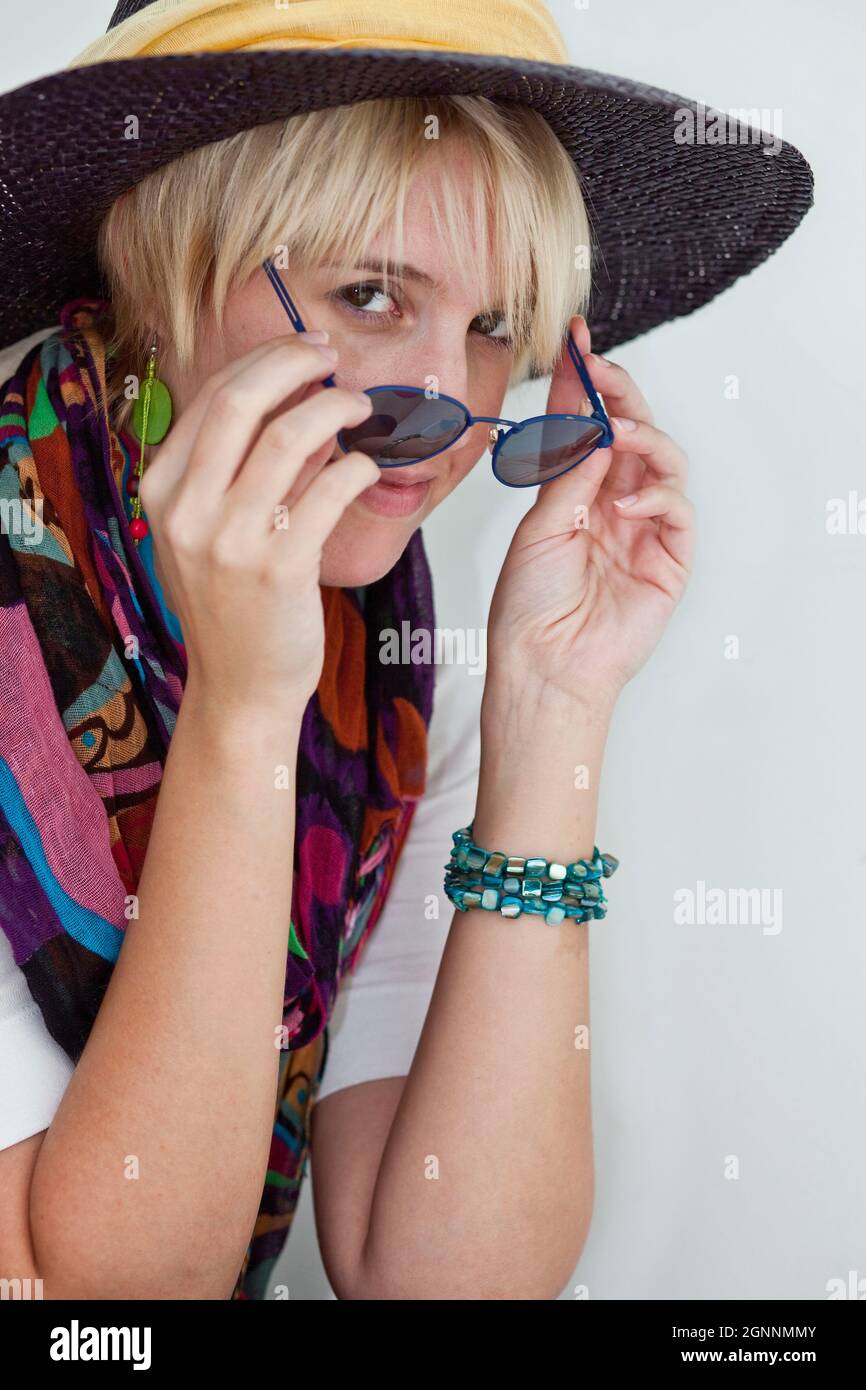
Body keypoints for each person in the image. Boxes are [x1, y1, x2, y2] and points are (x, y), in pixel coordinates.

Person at [0, 0, 813, 1300]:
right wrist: (244, 722)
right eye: (370, 293)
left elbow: (446, 1275)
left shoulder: (378, 640)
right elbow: (111, 1314)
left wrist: (552, 711)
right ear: (162, 276)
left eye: (496, 324)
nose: (446, 414)